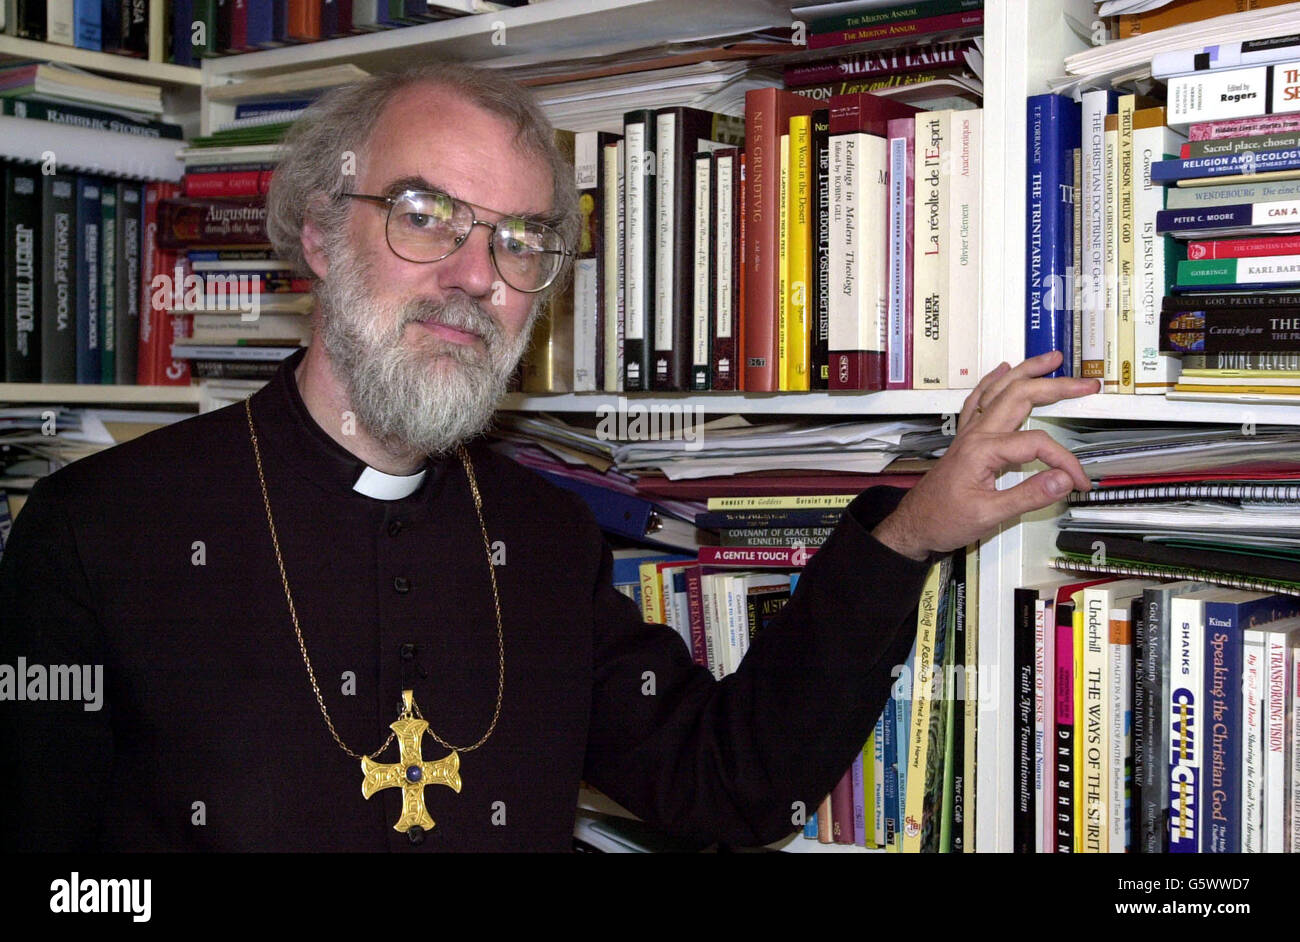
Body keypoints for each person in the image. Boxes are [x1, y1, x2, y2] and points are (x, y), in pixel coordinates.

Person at [0, 63, 1099, 852]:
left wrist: (905, 536)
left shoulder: (540, 534)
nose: (477, 275)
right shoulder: (99, 526)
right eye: (426, 214)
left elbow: (723, 786)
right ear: (320, 235)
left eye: (520, 240)